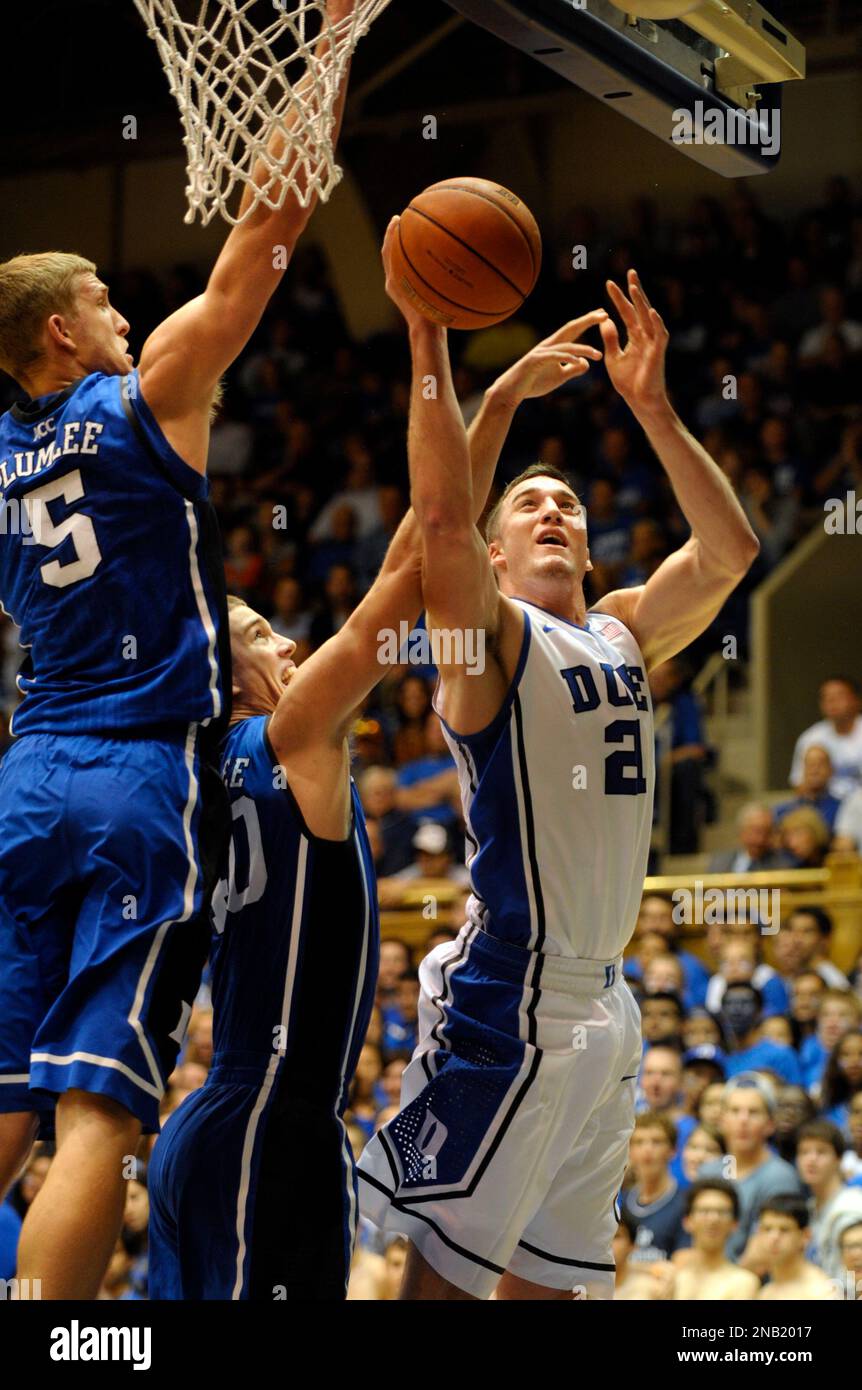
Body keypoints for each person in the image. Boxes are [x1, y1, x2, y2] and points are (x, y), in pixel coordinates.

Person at [0, 0, 364, 1295]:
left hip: (25, 772)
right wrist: (325, 50)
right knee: (96, 1109)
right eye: (98, 298)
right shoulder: (144, 390)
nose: (115, 309)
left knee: (2, 1099)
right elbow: (264, 238)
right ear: (60, 333)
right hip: (135, 777)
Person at [147, 272, 604, 1300]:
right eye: (268, 637)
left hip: (229, 1120)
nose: (296, 639)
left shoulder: (190, 773)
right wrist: (471, 388)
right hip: (267, 1119)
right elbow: (420, 555)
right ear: (233, 680)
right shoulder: (288, 733)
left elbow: (420, 552)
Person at [358, 251, 758, 1300]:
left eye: (568, 505)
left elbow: (728, 552)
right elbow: (438, 517)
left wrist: (654, 409)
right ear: (490, 559)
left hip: (607, 1007)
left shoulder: (625, 627)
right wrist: (459, 365)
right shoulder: (486, 640)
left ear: (589, 550)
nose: (551, 511)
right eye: (527, 504)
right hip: (509, 997)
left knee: (557, 1288)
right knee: (439, 1288)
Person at [698, 1075, 804, 1261]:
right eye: (735, 1111)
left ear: (770, 1124)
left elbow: (765, 1253)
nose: (743, 1120)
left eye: (753, 1112)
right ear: (722, 1120)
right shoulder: (708, 1172)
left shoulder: (780, 1176)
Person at [670, 1179, 760, 1300]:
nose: (713, 1219)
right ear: (687, 1221)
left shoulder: (744, 1282)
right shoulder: (672, 1279)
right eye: (704, 1211)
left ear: (734, 1224)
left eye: (722, 1212)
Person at [796, 1120, 862, 1281]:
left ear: (838, 1159)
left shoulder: (852, 1205)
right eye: (804, 1152)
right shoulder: (809, 1207)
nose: (811, 1160)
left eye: (821, 1152)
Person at [790, 676, 862, 801]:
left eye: (839, 696)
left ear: (856, 700)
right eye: (827, 698)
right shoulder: (811, 738)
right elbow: (798, 785)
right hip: (824, 807)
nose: (832, 702)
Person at [719, 983, 803, 1085]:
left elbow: (795, 1096)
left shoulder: (781, 1054)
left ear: (760, 1011)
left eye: (744, 1003)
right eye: (729, 1004)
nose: (736, 1011)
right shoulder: (724, 1059)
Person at [755, 1195, 837, 1300]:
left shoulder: (822, 1292)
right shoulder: (765, 1292)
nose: (774, 1238)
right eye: (767, 1229)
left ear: (805, 1236)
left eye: (784, 1230)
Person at [707, 802, 793, 873]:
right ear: (742, 831)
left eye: (767, 832)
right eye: (756, 831)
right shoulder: (720, 861)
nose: (761, 839)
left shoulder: (780, 866)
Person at [775, 744, 841, 832]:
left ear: (831, 770)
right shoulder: (783, 812)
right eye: (810, 765)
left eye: (820, 765)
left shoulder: (842, 810)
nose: (814, 770)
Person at [788, 906, 851, 990]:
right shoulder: (789, 977)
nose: (796, 939)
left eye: (806, 932)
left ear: (825, 939)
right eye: (792, 930)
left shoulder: (834, 983)